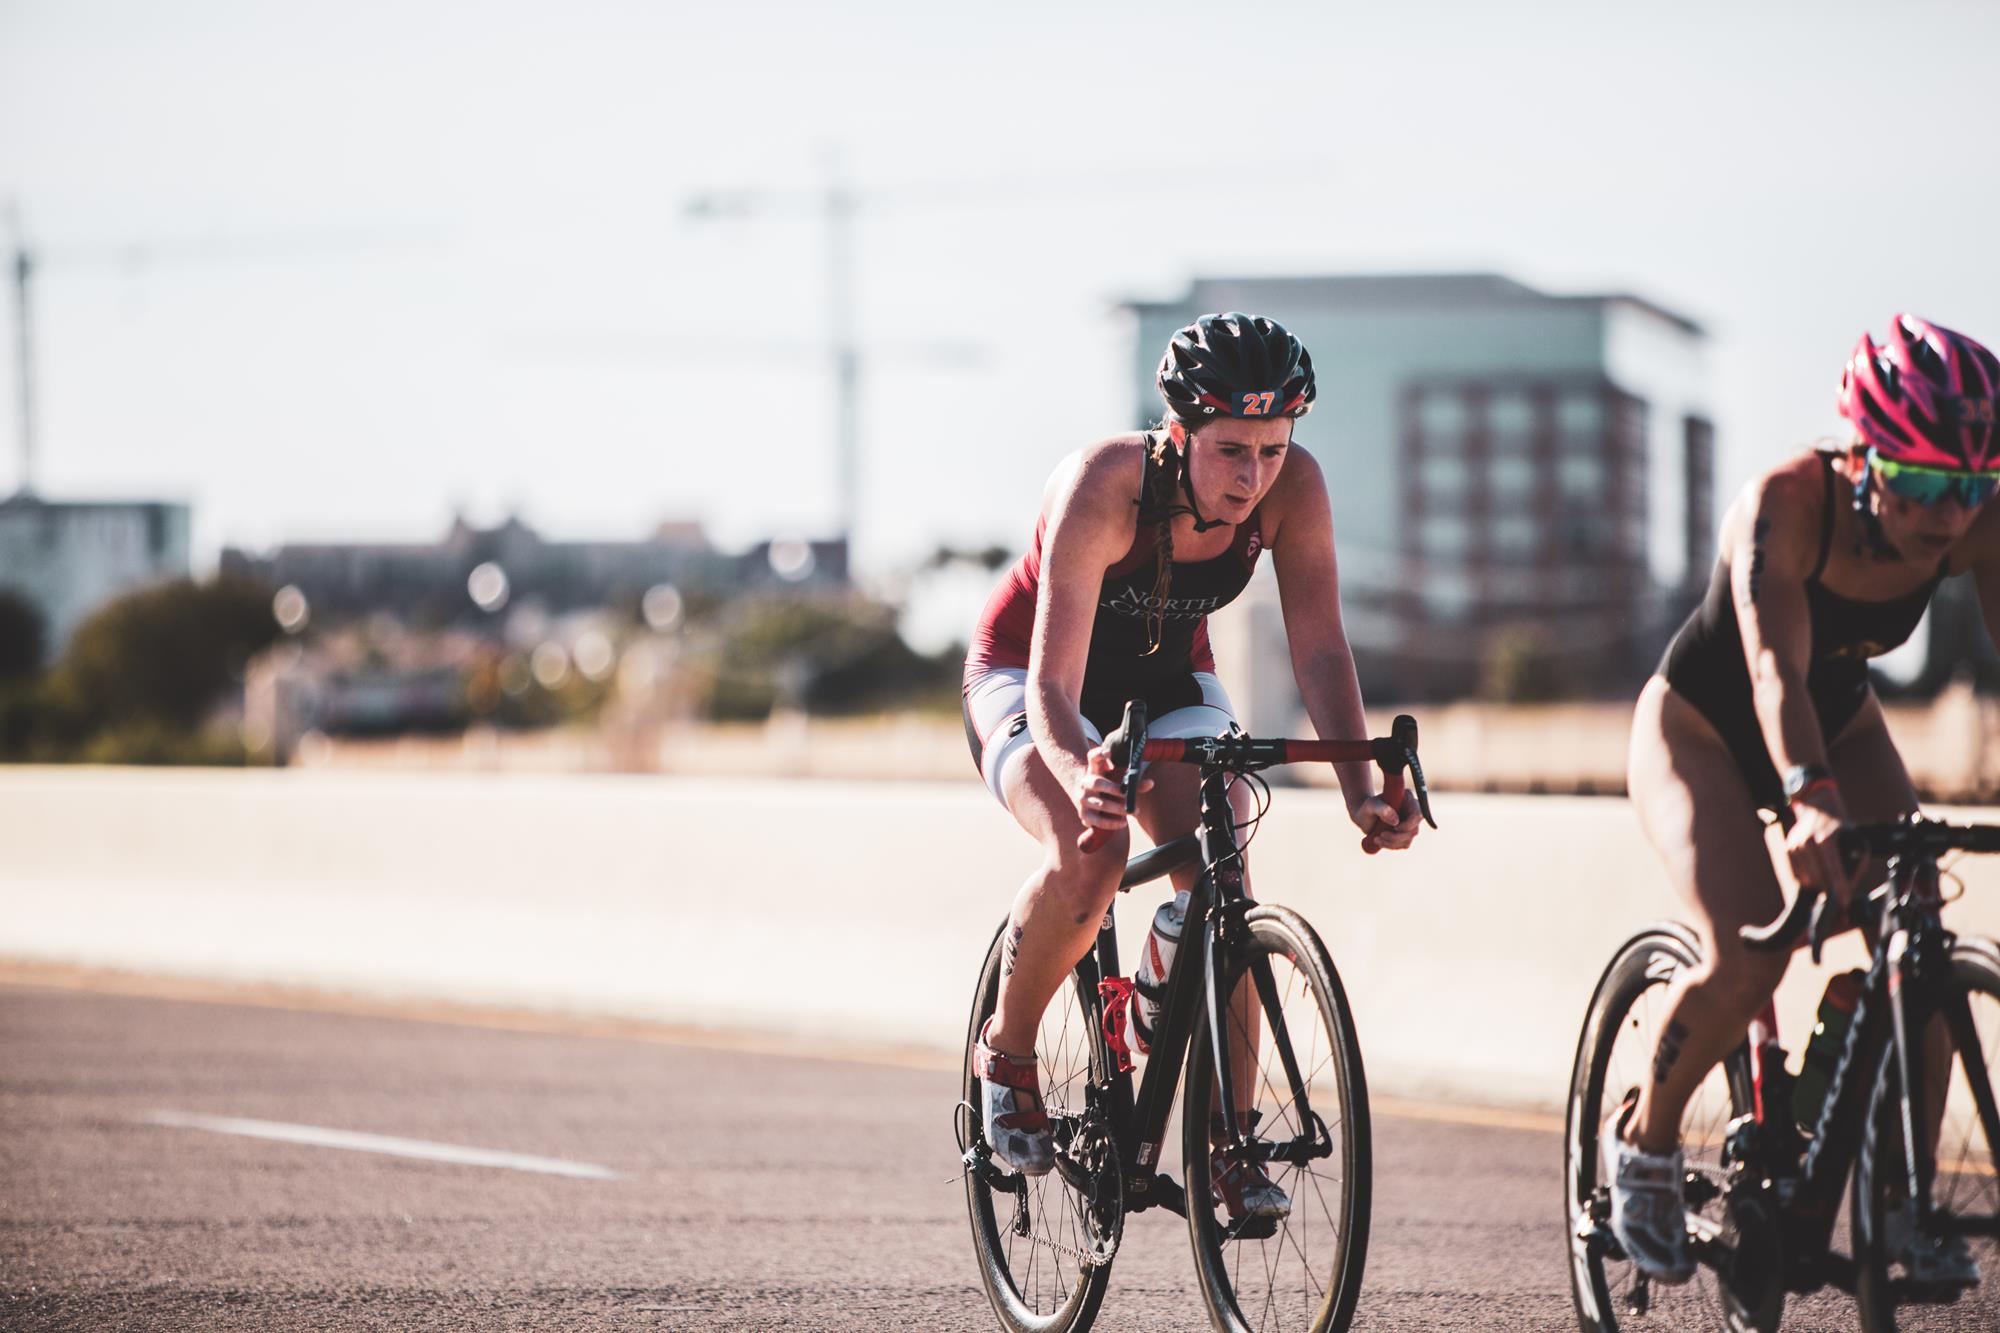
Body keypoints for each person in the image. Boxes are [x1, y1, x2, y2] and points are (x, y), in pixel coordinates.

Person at [960, 311, 1421, 1220]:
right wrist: (1085, 767)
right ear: (1179, 433)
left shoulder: (1295, 491)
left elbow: (1321, 650)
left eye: (1274, 449)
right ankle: (1007, 1052)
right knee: (1086, 851)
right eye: (1230, 450)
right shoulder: (1102, 484)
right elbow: (1054, 685)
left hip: (1170, 680)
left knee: (1224, 876)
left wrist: (1362, 787)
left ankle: (1229, 1142)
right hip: (1032, 676)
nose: (1254, 477)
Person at [1610, 313, 2000, 1287]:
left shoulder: (1978, 520)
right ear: (1861, 453)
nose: (1944, 515)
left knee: (1917, 948)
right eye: (1917, 484)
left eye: (1969, 487)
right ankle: (1644, 1145)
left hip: (1841, 721)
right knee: (1747, 953)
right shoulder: (1783, 502)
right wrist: (1804, 800)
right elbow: (1771, 675)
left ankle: (1890, 1193)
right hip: (1702, 728)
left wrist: (1826, 784)